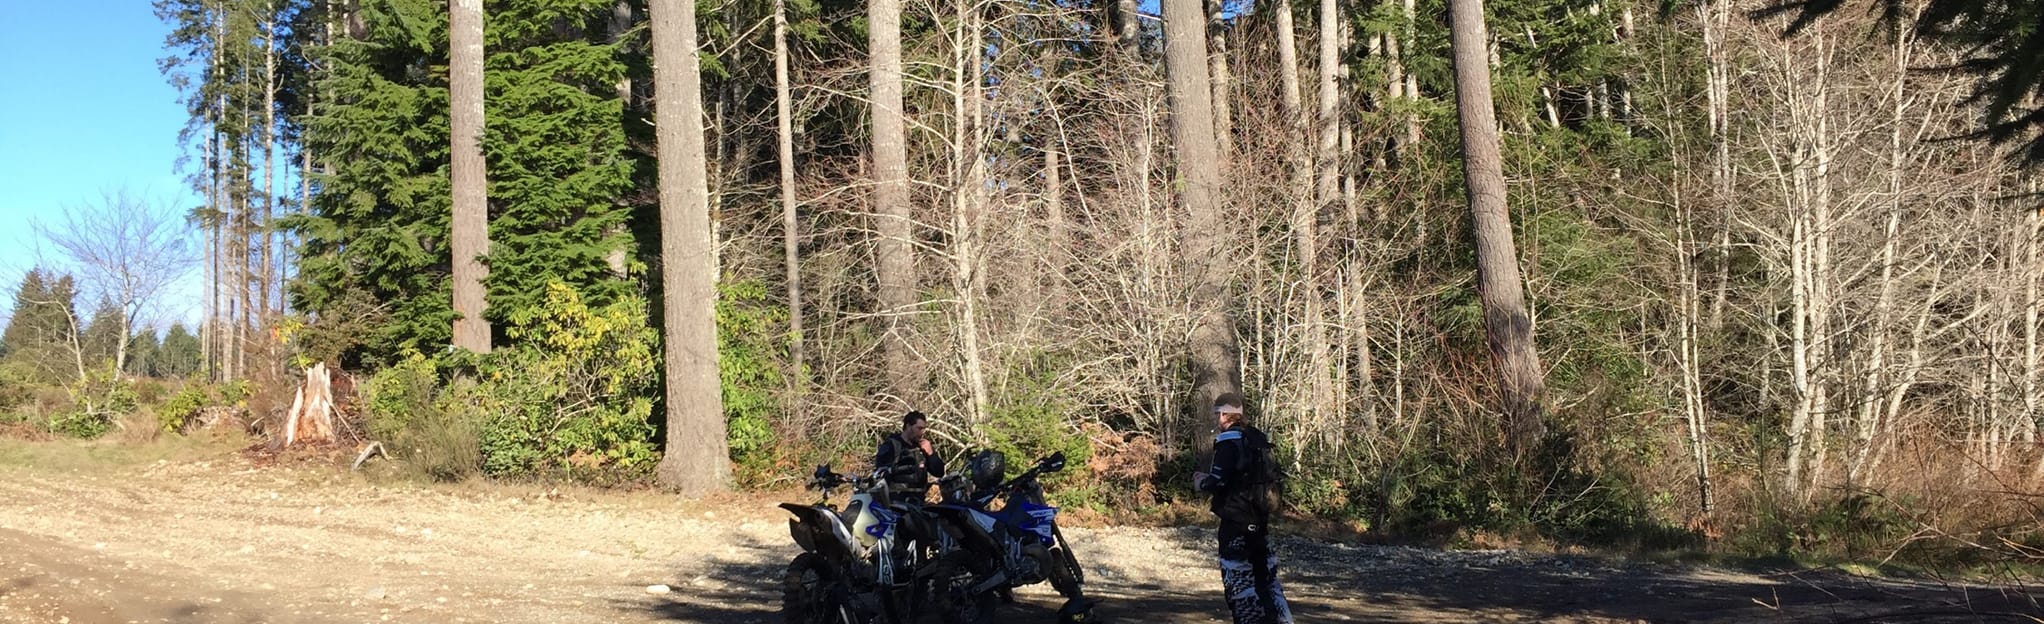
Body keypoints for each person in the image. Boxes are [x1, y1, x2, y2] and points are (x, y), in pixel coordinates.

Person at [1193, 393, 1293, 624]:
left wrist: (1201, 481)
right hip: (1259, 518)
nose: (1216, 419)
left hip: (1236, 520)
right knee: (1267, 579)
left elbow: (1219, 481)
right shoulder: (1256, 439)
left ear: (1224, 415)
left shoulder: (1229, 441)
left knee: (1238, 580)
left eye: (1218, 414)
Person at [874, 410, 946, 500]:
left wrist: (931, 454)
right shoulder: (892, 445)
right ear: (908, 426)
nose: (922, 432)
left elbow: (939, 472)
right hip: (896, 500)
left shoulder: (922, 447)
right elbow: (880, 473)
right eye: (919, 428)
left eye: (924, 429)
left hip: (918, 501)